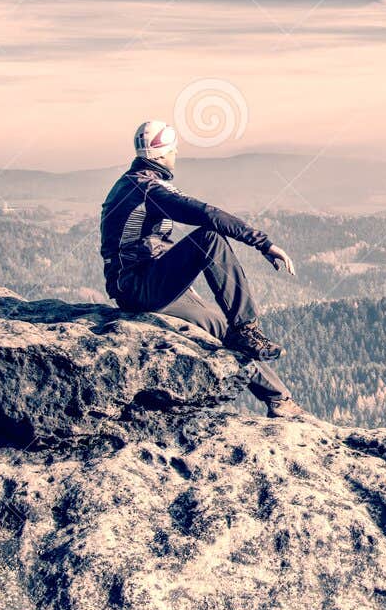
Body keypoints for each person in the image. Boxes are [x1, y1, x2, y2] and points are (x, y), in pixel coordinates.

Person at [99, 120, 307, 419]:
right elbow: (206, 214)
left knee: (221, 329)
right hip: (139, 286)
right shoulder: (146, 188)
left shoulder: (133, 184)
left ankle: (280, 400)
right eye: (174, 150)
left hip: (144, 283)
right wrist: (262, 243)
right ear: (162, 154)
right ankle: (248, 328)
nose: (176, 154)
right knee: (209, 238)